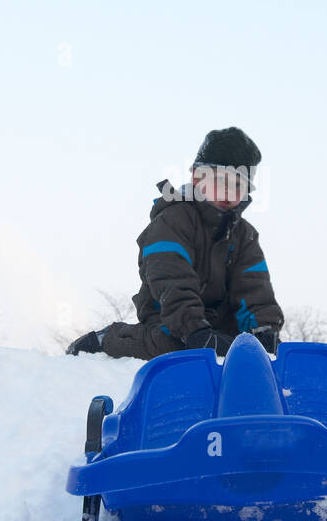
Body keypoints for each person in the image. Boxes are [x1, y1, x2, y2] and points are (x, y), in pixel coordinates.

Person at [67, 126, 284, 360]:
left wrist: (264, 330)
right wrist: (194, 329)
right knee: (172, 349)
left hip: (221, 328)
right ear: (197, 177)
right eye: (222, 181)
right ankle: (110, 339)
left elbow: (253, 286)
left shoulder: (244, 235)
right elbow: (170, 278)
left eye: (239, 186)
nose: (229, 192)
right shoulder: (173, 220)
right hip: (171, 318)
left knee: (253, 354)